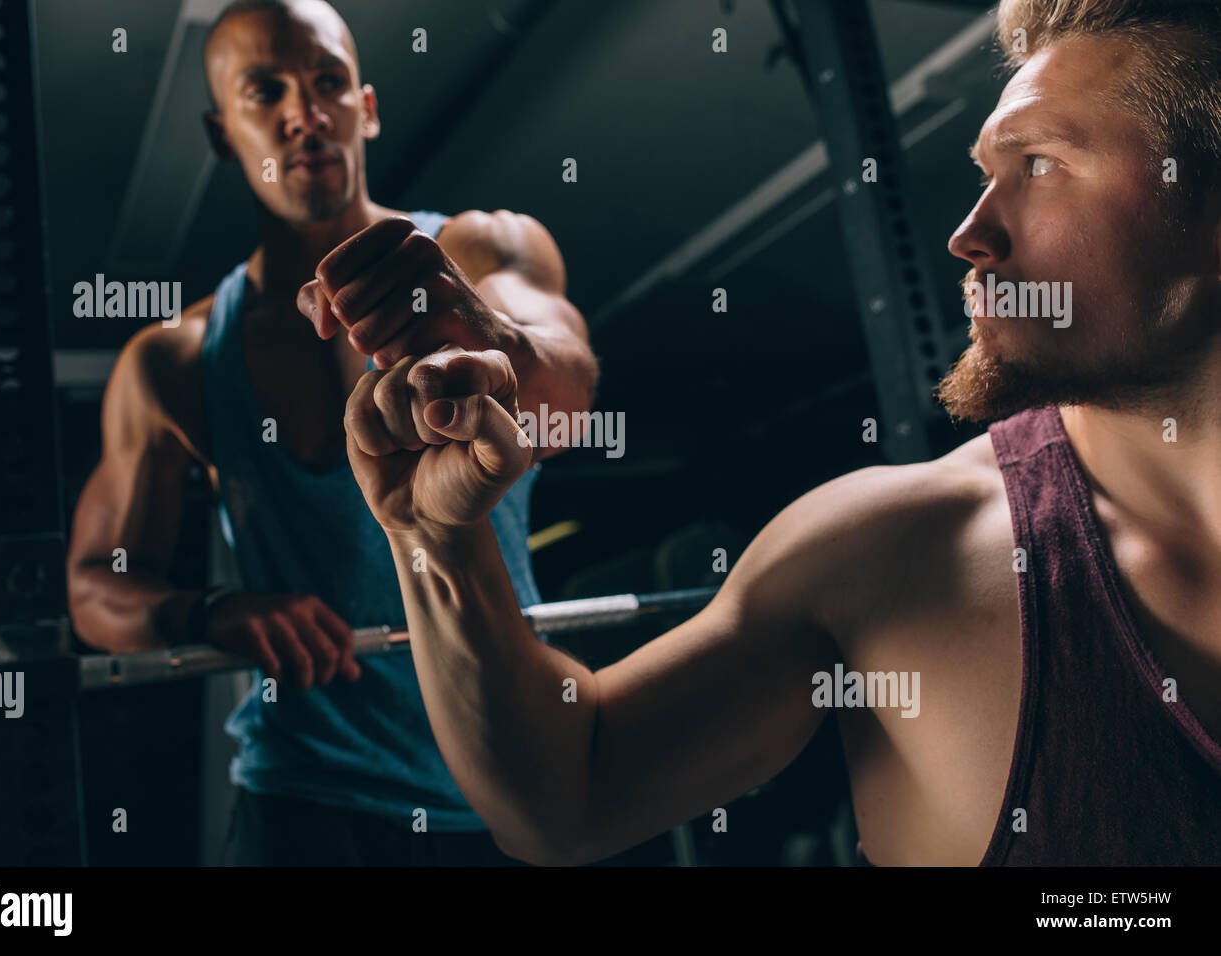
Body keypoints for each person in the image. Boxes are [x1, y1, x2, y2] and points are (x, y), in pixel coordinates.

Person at [339, 0, 1221, 865]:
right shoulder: (898, 550)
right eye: (984, 173)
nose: (969, 234)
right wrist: (438, 541)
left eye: (1039, 165)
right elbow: (568, 796)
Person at [65, 0, 597, 866]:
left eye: (327, 84)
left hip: (512, 780)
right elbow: (95, 585)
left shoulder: (485, 252)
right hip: (305, 805)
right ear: (221, 129)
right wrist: (209, 611)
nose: (304, 114)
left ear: (367, 107)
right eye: (264, 90)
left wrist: (487, 336)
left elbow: (568, 401)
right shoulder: (176, 360)